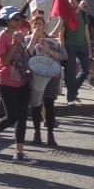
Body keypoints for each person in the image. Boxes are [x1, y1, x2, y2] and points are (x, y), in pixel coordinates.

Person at [0, 7, 32, 161]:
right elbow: (4, 61)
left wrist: (30, 69)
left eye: (20, 18)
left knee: (22, 116)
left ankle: (19, 152)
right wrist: (15, 44)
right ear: (7, 21)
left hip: (22, 79)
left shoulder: (20, 35)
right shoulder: (1, 37)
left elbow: (24, 57)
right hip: (6, 81)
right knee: (12, 116)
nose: (19, 21)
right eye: (15, 19)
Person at [27, 12, 65, 147]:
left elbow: (62, 57)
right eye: (35, 24)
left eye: (40, 24)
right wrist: (33, 40)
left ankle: (50, 134)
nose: (38, 26)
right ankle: (37, 134)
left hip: (51, 77)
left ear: (44, 26)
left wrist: (49, 51)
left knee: (49, 105)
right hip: (34, 77)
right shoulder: (27, 40)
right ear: (31, 26)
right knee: (36, 105)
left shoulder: (52, 40)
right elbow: (25, 56)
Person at [63, 0, 92, 104]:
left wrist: (89, 47)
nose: (71, 5)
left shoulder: (84, 14)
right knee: (70, 71)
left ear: (79, 3)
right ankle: (71, 97)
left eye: (73, 3)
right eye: (69, 3)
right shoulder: (66, 14)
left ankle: (73, 90)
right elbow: (62, 31)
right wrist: (63, 46)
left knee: (86, 70)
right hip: (70, 45)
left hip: (82, 45)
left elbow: (86, 31)